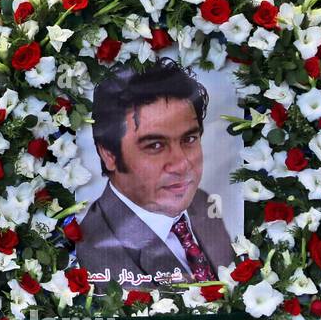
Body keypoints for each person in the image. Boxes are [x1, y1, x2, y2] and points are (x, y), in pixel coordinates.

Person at [77, 60, 234, 290]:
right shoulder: (94, 254)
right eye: (155, 146)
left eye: (189, 139)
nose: (182, 165)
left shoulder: (201, 204)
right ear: (108, 154)